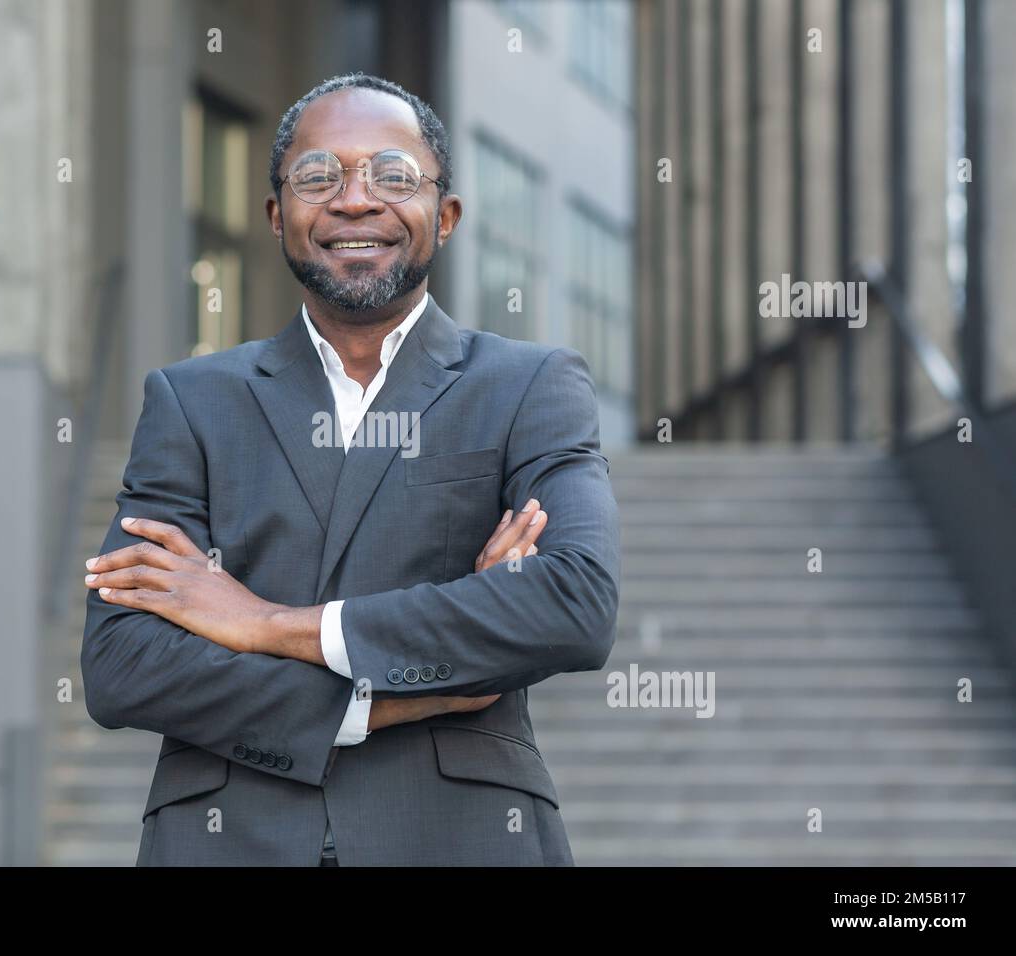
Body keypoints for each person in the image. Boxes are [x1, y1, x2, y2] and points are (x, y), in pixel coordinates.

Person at [81, 73, 620, 866]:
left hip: (461, 839)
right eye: (318, 176)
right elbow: (122, 665)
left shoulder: (529, 386)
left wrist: (265, 623)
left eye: (394, 175)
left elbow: (574, 603)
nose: (356, 200)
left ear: (446, 214)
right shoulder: (191, 401)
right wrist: (396, 697)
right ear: (276, 215)